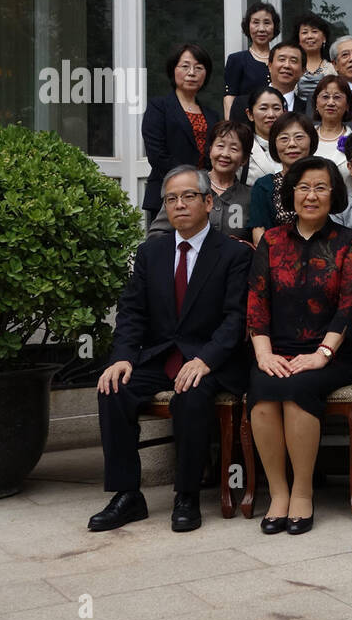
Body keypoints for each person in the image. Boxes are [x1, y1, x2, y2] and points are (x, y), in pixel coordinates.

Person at [91, 166, 252, 533]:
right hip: (162, 355)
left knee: (191, 395)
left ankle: (187, 495)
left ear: (209, 202)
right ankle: (127, 494)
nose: (179, 205)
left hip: (211, 359)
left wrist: (205, 359)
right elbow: (132, 313)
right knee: (112, 388)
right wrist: (121, 359)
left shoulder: (233, 254)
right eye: (171, 199)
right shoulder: (152, 252)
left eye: (188, 197)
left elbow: (236, 319)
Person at [248, 156, 352, 535]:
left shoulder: (349, 242)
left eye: (320, 187)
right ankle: (278, 493)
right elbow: (257, 303)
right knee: (264, 388)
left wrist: (321, 355)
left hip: (331, 352)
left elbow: (348, 308)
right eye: (303, 187)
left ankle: (302, 492)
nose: (311, 195)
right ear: (291, 193)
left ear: (333, 195)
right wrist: (264, 355)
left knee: (298, 387)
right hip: (276, 348)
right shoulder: (271, 240)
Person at [142, 43, 221, 215]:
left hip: (203, 196)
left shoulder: (212, 115)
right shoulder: (159, 107)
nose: (192, 73)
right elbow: (157, 155)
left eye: (199, 67)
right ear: (173, 70)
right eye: (185, 66)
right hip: (167, 193)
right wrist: (189, 183)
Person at [148, 120, 253, 243]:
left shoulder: (251, 196)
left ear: (244, 159)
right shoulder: (186, 185)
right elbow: (156, 235)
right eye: (220, 146)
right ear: (210, 150)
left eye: (234, 149)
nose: (225, 154)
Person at [250, 113, 317, 244]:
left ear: (311, 140)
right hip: (277, 258)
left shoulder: (325, 179)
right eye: (284, 139)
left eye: (299, 137)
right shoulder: (264, 185)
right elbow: (258, 232)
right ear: (274, 144)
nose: (292, 144)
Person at [223, 1, 279, 116]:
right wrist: (231, 128)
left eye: (267, 23)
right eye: (256, 23)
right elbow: (229, 98)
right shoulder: (237, 59)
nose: (261, 29)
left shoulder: (281, 60)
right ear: (248, 26)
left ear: (275, 27)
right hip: (245, 125)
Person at [227, 41, 303, 125]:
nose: (286, 65)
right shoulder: (243, 103)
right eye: (282, 59)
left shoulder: (308, 109)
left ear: (303, 71)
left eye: (293, 61)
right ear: (269, 66)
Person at [310, 75, 352, 169]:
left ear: (347, 105)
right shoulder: (306, 137)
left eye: (337, 97)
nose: (330, 103)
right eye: (325, 97)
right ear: (316, 104)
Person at [293, 12, 335, 108]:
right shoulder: (292, 67)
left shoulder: (333, 68)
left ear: (324, 38)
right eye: (304, 32)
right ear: (298, 39)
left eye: (314, 31)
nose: (309, 36)